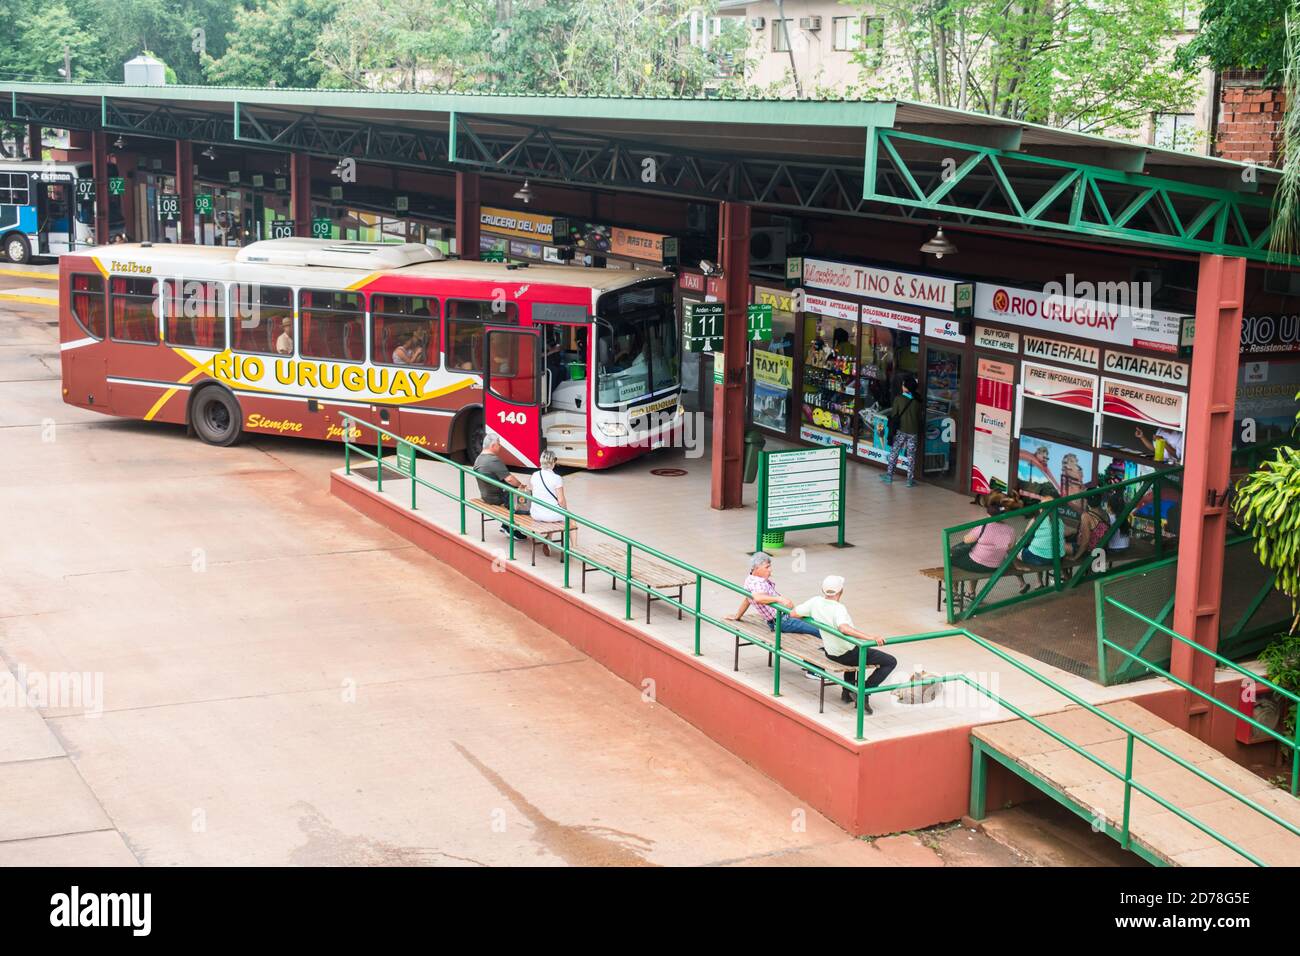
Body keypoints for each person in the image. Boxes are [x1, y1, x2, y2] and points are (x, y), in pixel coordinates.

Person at [793, 576, 896, 712]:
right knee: (890, 661)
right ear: (841, 591)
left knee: (854, 652)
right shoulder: (839, 608)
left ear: (823, 590)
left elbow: (793, 613)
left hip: (831, 652)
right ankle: (863, 691)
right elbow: (844, 628)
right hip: (847, 654)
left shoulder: (815, 602)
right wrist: (871, 637)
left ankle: (847, 692)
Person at [725, 553, 825, 682]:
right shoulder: (757, 584)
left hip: (784, 617)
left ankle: (810, 664)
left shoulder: (751, 579)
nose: (770, 570)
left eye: (770, 566)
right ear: (756, 568)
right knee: (818, 630)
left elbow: (747, 599)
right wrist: (780, 599)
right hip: (781, 621)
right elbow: (757, 598)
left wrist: (737, 616)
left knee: (816, 621)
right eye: (767, 567)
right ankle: (814, 670)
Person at [474, 432, 530, 538]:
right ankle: (511, 528)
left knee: (515, 493)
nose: (500, 446)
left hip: (486, 495)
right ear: (493, 446)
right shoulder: (493, 460)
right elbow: (510, 479)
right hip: (497, 497)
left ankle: (506, 526)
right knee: (524, 495)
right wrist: (521, 485)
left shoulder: (479, 459)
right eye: (499, 444)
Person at [951, 494, 1018, 573]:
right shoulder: (1011, 530)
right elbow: (1010, 548)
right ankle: (970, 586)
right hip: (997, 566)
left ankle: (954, 585)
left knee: (951, 559)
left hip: (977, 563)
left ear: (988, 514)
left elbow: (966, 540)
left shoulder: (983, 526)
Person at [881, 374, 921, 487]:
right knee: (911, 456)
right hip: (913, 432)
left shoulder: (899, 399)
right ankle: (909, 480)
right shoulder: (917, 401)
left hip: (901, 431)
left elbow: (894, 415)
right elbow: (918, 417)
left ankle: (889, 476)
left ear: (906, 387)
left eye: (903, 384)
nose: (902, 386)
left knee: (895, 452)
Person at [529, 450, 571, 556]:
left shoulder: (535, 475)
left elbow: (532, 491)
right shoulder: (557, 478)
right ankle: (574, 548)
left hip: (536, 513)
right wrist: (566, 511)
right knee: (571, 519)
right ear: (553, 462)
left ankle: (548, 539)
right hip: (551, 514)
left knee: (551, 510)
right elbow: (561, 500)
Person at [1021, 488, 1067, 567]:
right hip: (1059, 558)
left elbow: (1025, 536)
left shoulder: (1037, 519)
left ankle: (1021, 573)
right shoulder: (1059, 520)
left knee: (1015, 549)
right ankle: (1040, 579)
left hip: (1039, 559)